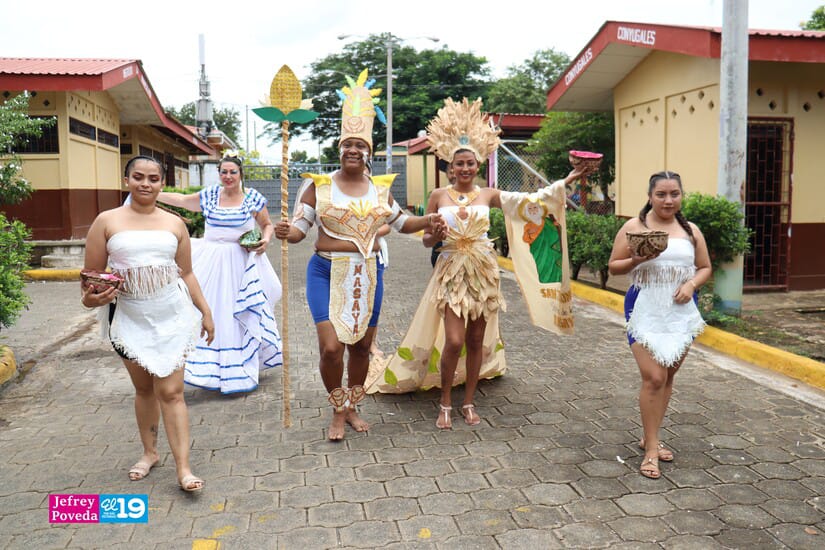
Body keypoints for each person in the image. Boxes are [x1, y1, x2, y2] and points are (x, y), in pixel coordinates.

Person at [366, 97, 588, 431]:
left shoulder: (490, 195)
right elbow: (428, 240)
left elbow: (533, 202)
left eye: (470, 163)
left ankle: (467, 402)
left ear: (478, 165)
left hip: (483, 273)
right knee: (454, 340)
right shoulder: (438, 196)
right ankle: (444, 402)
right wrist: (434, 233)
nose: (465, 168)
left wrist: (567, 181)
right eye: (459, 164)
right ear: (450, 167)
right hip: (451, 270)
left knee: (476, 342)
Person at [274, 69, 446, 441]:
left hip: (368, 273)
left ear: (369, 152)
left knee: (363, 346)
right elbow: (302, 231)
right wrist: (288, 232)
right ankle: (336, 407)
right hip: (325, 272)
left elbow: (403, 225)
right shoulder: (316, 187)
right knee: (332, 348)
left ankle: (351, 407)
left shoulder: (380, 191)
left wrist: (428, 219)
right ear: (339, 149)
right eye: (347, 144)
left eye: (360, 145)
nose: (353, 149)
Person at [81, 155, 214, 492]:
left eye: (153, 178)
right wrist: (91, 299)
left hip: (172, 314)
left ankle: (184, 469)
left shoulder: (174, 223)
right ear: (126, 180)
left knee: (171, 391)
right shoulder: (106, 221)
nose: (145, 183)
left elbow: (187, 273)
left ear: (162, 183)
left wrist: (206, 311)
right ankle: (150, 452)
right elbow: (90, 279)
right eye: (138, 177)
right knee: (144, 389)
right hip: (128, 315)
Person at [607, 170, 711, 480]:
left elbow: (705, 267)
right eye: (661, 194)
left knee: (667, 377)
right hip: (644, 307)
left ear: (681, 195)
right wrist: (638, 258)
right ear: (650, 196)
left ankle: (650, 437)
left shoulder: (691, 231)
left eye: (674, 194)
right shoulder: (635, 227)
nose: (668, 200)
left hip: (680, 312)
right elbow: (613, 267)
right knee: (653, 377)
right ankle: (651, 450)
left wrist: (692, 285)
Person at [153, 153, 283, 394]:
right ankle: (205, 368)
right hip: (210, 262)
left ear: (240, 174)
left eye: (233, 172)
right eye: (224, 172)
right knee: (206, 310)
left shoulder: (252, 198)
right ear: (219, 174)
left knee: (235, 313)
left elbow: (267, 224)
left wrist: (264, 240)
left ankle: (240, 367)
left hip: (241, 263)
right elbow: (181, 200)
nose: (228, 176)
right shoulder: (210, 195)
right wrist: (152, 192)